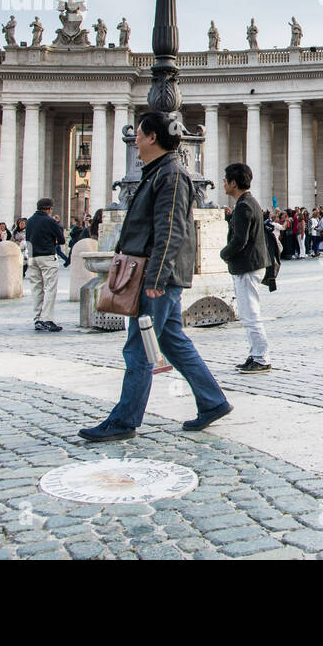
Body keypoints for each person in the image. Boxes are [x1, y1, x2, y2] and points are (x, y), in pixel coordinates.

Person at [80, 112, 233, 442]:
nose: (134, 138)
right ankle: (212, 401)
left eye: (138, 133)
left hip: (155, 275)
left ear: (152, 137)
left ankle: (125, 419)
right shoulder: (158, 174)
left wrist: (156, 279)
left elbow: (172, 231)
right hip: (152, 272)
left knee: (138, 347)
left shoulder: (171, 175)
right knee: (171, 341)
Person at [220, 162, 273, 374]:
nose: (223, 184)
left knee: (250, 314)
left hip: (247, 266)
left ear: (234, 183)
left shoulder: (243, 206)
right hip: (251, 264)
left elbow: (239, 240)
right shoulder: (249, 202)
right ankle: (255, 354)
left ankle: (261, 357)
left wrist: (223, 254)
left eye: (225, 180)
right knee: (248, 312)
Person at [25, 199, 66, 331]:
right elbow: (62, 239)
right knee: (50, 288)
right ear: (49, 209)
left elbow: (28, 240)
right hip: (47, 256)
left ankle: (37, 319)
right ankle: (47, 318)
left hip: (32, 256)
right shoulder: (49, 221)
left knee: (36, 288)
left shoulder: (30, 221)